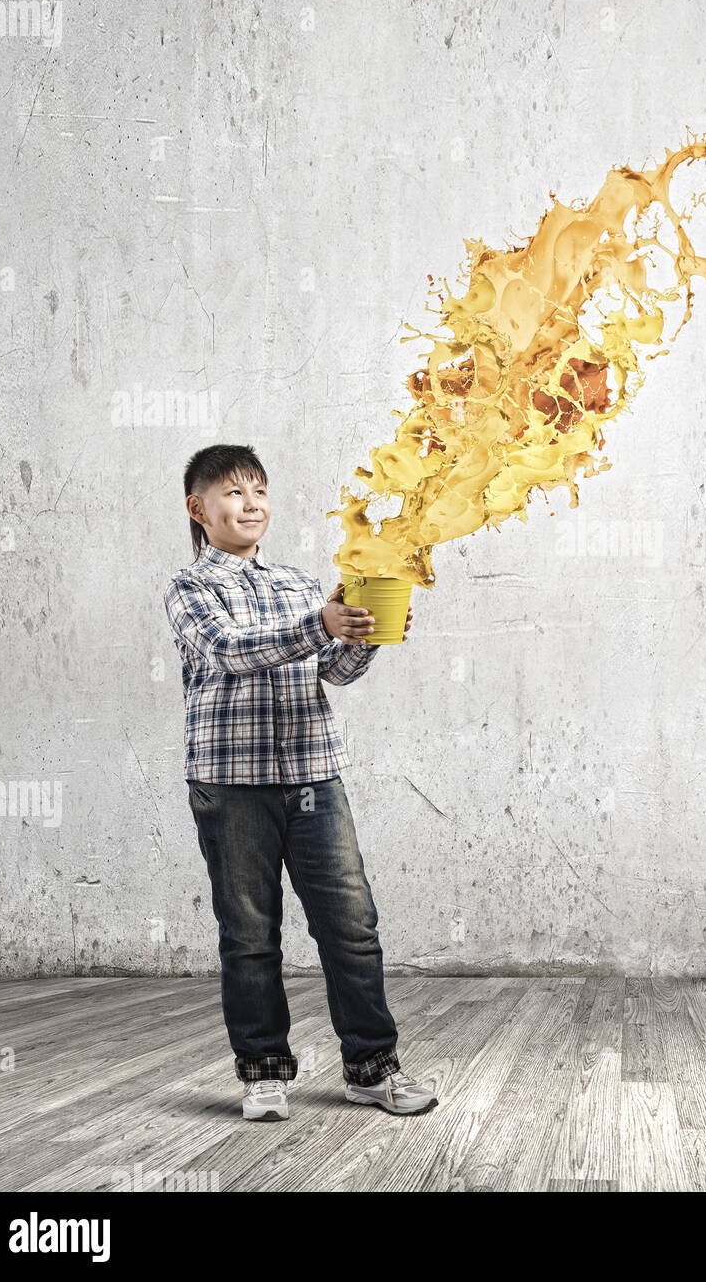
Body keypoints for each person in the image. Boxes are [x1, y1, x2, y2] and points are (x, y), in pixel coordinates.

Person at [162, 443, 437, 1122]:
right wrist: (319, 624)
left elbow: (333, 673)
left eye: (259, 489)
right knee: (250, 933)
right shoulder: (189, 589)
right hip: (231, 784)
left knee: (351, 927)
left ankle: (372, 1069)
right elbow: (230, 653)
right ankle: (263, 1074)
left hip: (315, 775)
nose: (250, 503)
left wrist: (363, 633)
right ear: (199, 509)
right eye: (232, 492)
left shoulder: (297, 582)